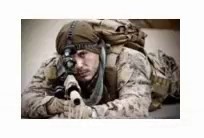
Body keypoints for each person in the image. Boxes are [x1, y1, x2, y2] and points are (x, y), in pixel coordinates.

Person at [20, 20, 173, 119]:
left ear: (98, 50)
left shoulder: (127, 59)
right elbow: (24, 101)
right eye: (71, 59)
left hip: (164, 78)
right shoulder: (55, 64)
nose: (78, 65)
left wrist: (91, 113)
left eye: (83, 54)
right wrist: (54, 105)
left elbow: (138, 106)